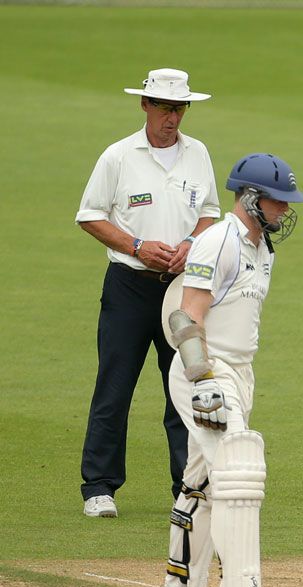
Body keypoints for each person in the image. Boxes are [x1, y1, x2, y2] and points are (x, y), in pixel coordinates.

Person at [151, 153, 303, 587]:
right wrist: (204, 384)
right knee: (238, 471)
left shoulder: (260, 247)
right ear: (253, 199)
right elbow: (185, 314)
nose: (285, 210)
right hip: (207, 371)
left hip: (239, 371)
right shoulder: (218, 241)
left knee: (200, 480)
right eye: (278, 202)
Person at [76, 69, 219, 518]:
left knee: (183, 388)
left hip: (179, 291)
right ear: (145, 106)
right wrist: (137, 246)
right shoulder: (119, 156)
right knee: (115, 388)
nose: (171, 117)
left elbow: (209, 212)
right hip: (128, 287)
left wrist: (190, 246)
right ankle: (99, 487)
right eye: (163, 107)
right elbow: (90, 215)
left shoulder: (198, 154)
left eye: (179, 108)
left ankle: (187, 487)